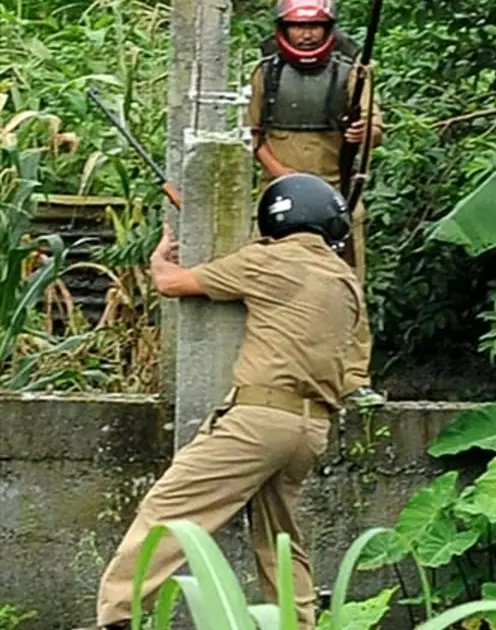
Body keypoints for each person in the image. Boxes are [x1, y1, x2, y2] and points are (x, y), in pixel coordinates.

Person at [93, 174, 364, 630]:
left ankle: (117, 617)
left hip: (258, 420)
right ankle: (300, 623)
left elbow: (172, 282)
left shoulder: (266, 262)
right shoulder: (343, 279)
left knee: (168, 510)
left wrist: (163, 256)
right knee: (281, 538)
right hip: (310, 428)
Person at [247, 0, 385, 407]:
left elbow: (376, 127)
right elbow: (252, 134)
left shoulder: (354, 73)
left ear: (329, 29)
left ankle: (354, 378)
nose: (306, 35)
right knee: (271, 284)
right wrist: (282, 174)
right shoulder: (265, 75)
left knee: (347, 287)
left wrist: (364, 132)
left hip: (337, 197)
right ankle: (278, 377)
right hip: (279, 197)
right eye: (297, 27)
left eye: (315, 27)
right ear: (283, 29)